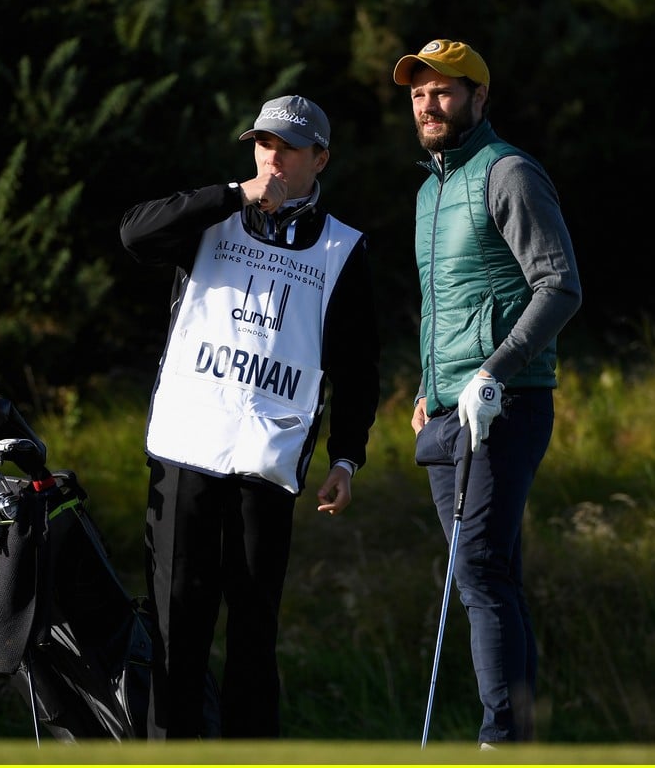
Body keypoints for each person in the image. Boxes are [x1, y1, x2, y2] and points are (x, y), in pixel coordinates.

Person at [118, 95, 380, 739]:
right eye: (264, 146)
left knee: (253, 639)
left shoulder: (343, 248)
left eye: (288, 149)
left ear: (319, 159)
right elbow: (134, 234)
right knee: (177, 630)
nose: (273, 160)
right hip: (184, 455)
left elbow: (358, 365)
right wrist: (231, 194)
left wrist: (347, 456)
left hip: (266, 467)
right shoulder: (212, 217)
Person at [392, 40, 582, 746]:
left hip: (507, 401)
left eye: (444, 91)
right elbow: (444, 302)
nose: (428, 104)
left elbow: (559, 286)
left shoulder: (509, 172)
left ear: (478, 97)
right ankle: (520, 738)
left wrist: (492, 372)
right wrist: (428, 385)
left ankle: (499, 741)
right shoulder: (428, 191)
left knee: (476, 570)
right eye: (418, 93)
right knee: (487, 577)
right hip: (448, 409)